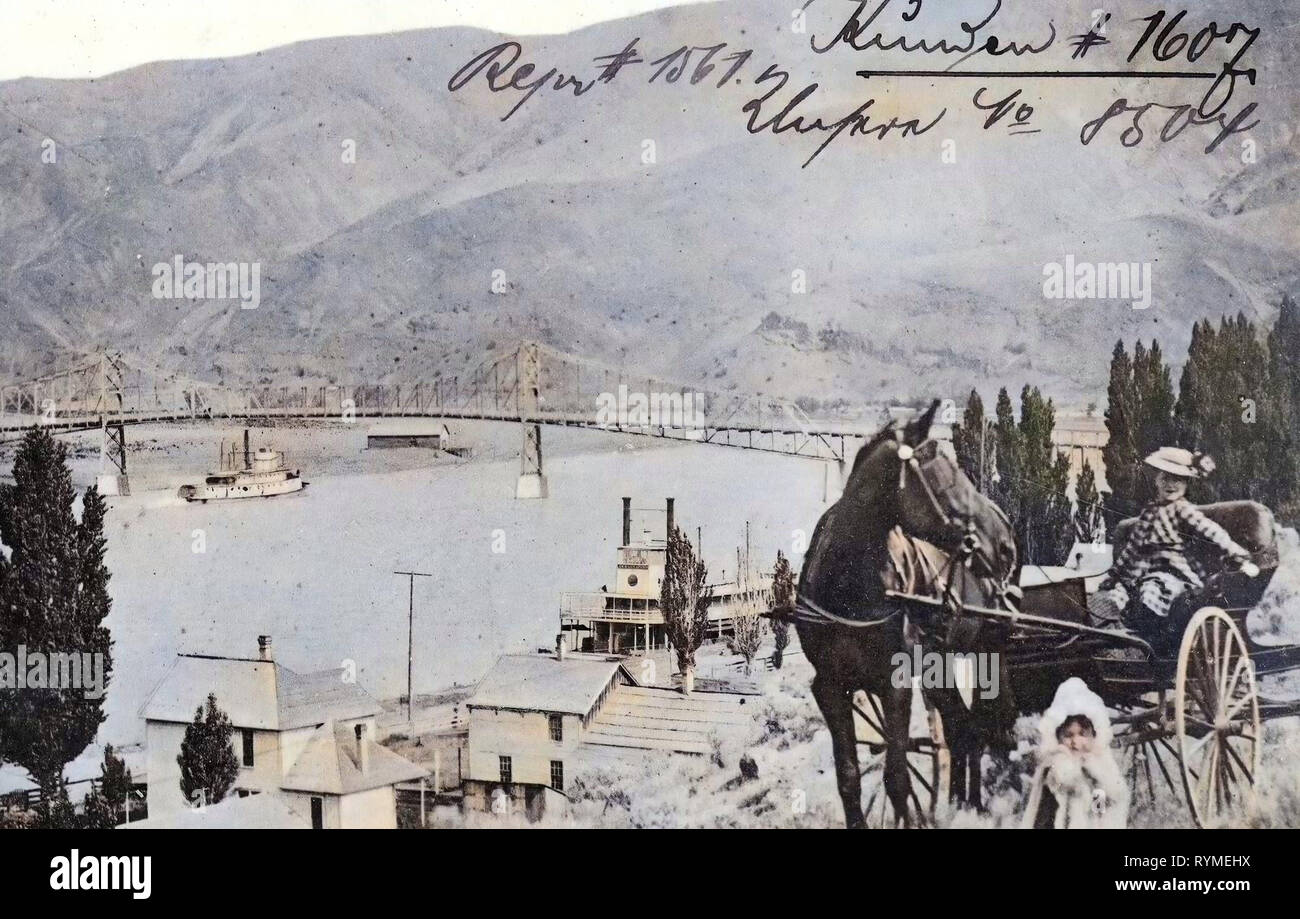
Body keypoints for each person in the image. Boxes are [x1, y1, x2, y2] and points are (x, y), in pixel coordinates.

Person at [1088, 447, 1259, 636]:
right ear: (1156, 481)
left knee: (1150, 591)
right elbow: (1132, 549)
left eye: (1177, 479)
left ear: (1186, 484)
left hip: (1170, 572)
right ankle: (1118, 639)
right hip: (1140, 573)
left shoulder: (1182, 508)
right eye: (1165, 478)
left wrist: (1235, 551)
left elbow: (1210, 530)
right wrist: (1113, 575)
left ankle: (1151, 639)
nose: (1171, 484)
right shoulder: (1148, 512)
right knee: (1115, 596)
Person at [1023, 678, 1128, 829]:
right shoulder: (1055, 766)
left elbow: (1101, 811)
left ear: (1094, 735)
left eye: (1082, 734)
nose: (1076, 742)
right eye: (1068, 735)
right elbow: (1043, 815)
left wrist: (1096, 776)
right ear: (1057, 737)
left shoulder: (1096, 768)